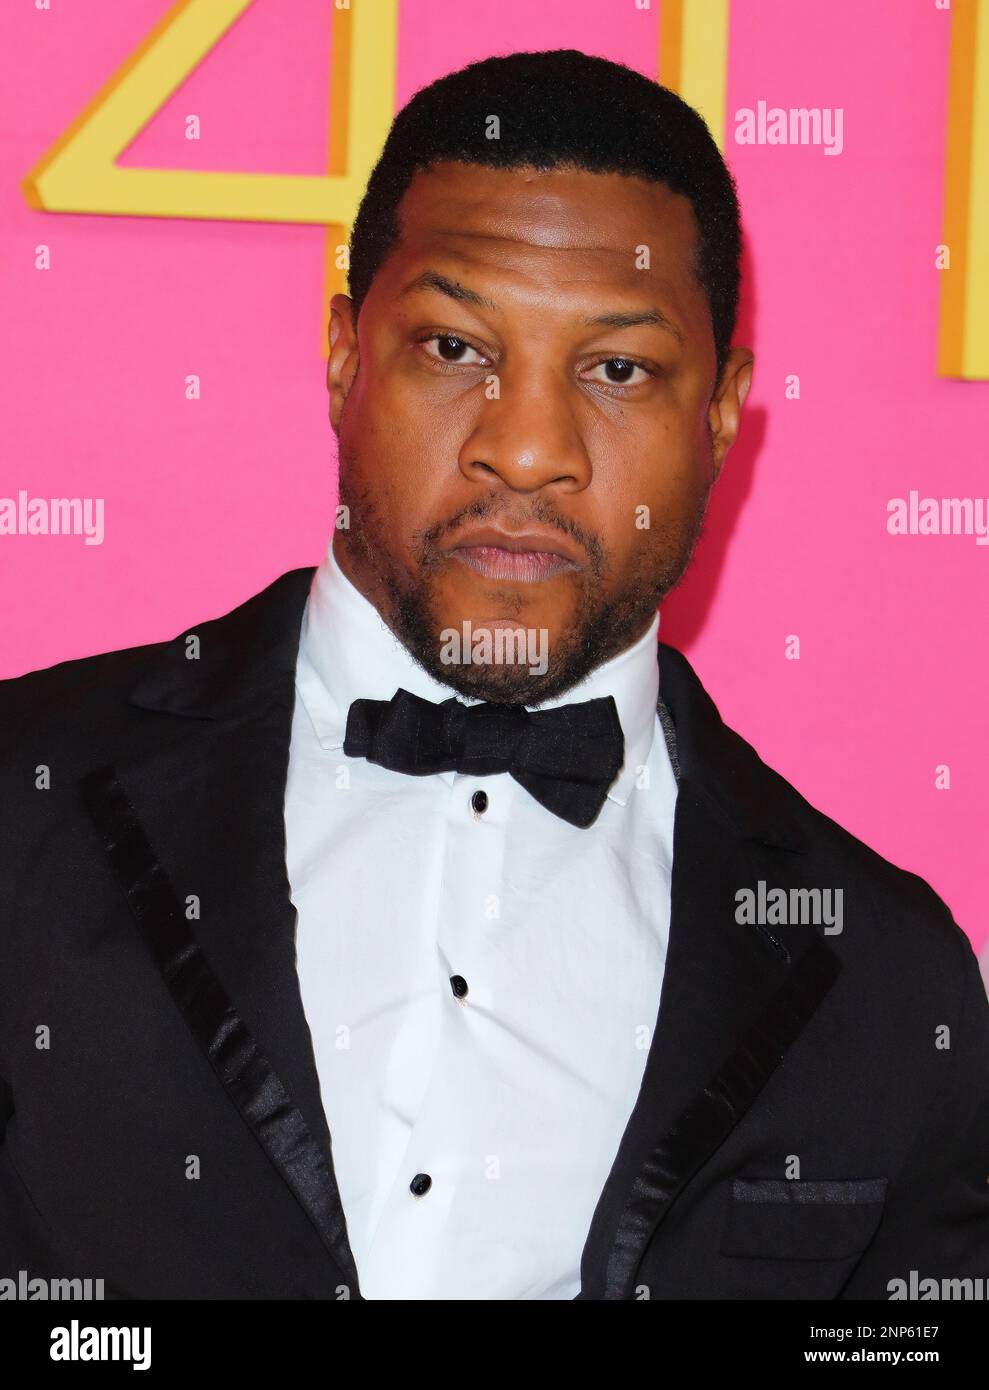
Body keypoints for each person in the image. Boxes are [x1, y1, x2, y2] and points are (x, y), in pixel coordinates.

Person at [1, 49, 986, 1303]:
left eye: (615, 368)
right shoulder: (22, 801)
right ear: (345, 357)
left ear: (723, 414)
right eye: (457, 347)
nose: (524, 450)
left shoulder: (883, 973)